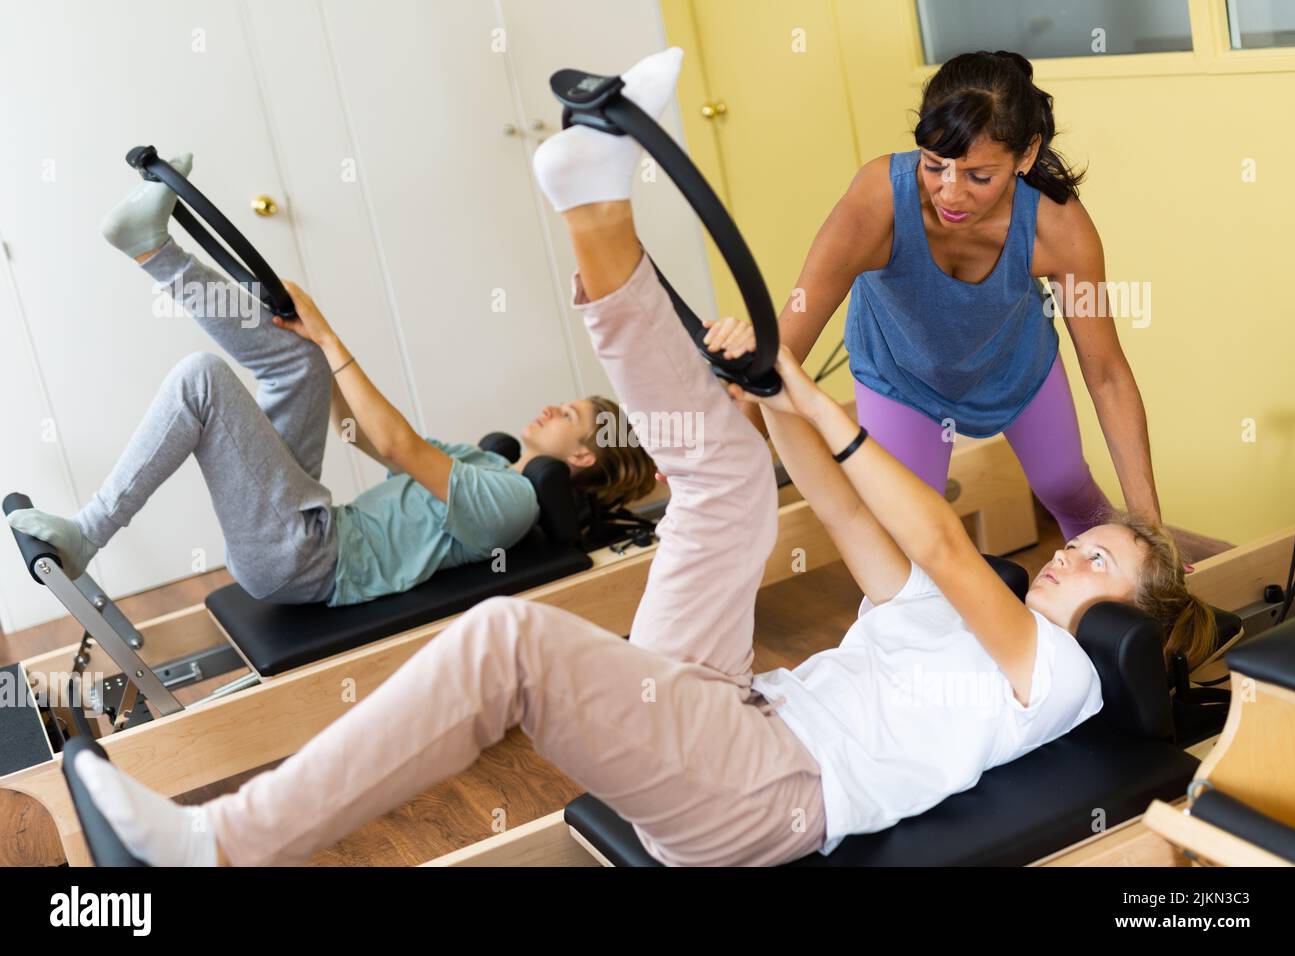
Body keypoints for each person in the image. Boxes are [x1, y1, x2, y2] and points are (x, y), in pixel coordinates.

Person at [68, 49, 1219, 868]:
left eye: (1099, 561)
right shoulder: (968, 622)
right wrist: (775, 400)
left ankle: (220, 844)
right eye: (1090, 544)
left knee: (510, 639)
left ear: (1131, 615)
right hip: (736, 710)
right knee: (725, 490)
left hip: (770, 794)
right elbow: (869, 529)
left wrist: (829, 418)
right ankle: (594, 213)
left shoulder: (1054, 673)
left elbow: (936, 534)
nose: (1071, 555)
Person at [6, 155, 655, 606]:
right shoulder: (490, 463)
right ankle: (153, 248)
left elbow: (400, 449)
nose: (550, 407)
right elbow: (362, 436)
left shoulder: (516, 505)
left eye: (568, 413)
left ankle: (86, 534)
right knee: (297, 362)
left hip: (308, 560)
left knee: (202, 379)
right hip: (310, 530)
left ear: (581, 454)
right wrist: (316, 338)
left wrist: (331, 336)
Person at [764, 50, 1227, 563]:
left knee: (1065, 486)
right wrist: (722, 437)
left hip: (1013, 365)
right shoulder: (879, 199)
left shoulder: (1058, 227)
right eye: (935, 164)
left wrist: (1149, 536)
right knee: (906, 532)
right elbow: (785, 344)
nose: (949, 191)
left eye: (979, 176)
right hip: (900, 374)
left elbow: (1108, 375)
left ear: (1025, 156)